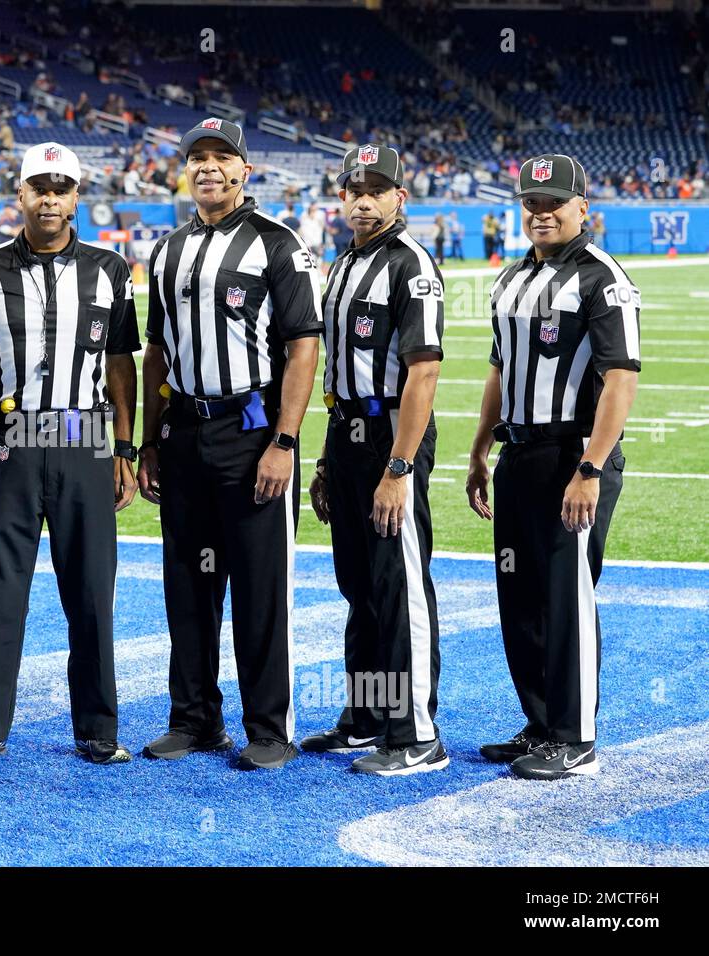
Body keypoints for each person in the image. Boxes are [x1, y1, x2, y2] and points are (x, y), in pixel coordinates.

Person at [137, 118, 323, 770]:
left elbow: (304, 346)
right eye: (198, 157)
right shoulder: (167, 250)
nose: (210, 167)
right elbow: (156, 352)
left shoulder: (279, 244)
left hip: (250, 435)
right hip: (183, 431)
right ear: (185, 170)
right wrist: (148, 440)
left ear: (246, 170)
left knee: (259, 585)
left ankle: (269, 728)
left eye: (223, 157)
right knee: (187, 582)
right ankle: (194, 719)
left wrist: (286, 441)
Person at [0, 142, 141, 766]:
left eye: (62, 188)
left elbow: (119, 363)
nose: (50, 198)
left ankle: (98, 730)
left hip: (84, 436)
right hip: (10, 437)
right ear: (21, 195)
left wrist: (124, 445)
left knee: (91, 588)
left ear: (76, 198)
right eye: (40, 187)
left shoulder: (110, 271)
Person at [466, 154, 640, 780]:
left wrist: (591, 468)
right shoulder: (512, 277)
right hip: (519, 454)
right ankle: (541, 724)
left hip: (574, 455)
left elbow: (620, 380)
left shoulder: (602, 278)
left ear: (582, 206)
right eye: (531, 202)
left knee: (567, 596)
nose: (542, 212)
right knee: (521, 596)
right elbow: (499, 370)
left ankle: (577, 737)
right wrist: (481, 447)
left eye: (554, 202)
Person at [303, 143, 447, 775]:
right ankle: (368, 715)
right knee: (358, 582)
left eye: (376, 189)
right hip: (347, 430)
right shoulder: (342, 263)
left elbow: (424, 373)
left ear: (399, 198)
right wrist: (328, 462)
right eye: (353, 189)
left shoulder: (409, 264)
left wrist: (400, 466)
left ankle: (416, 731)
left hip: (392, 430)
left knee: (400, 581)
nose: (364, 199)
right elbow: (337, 370)